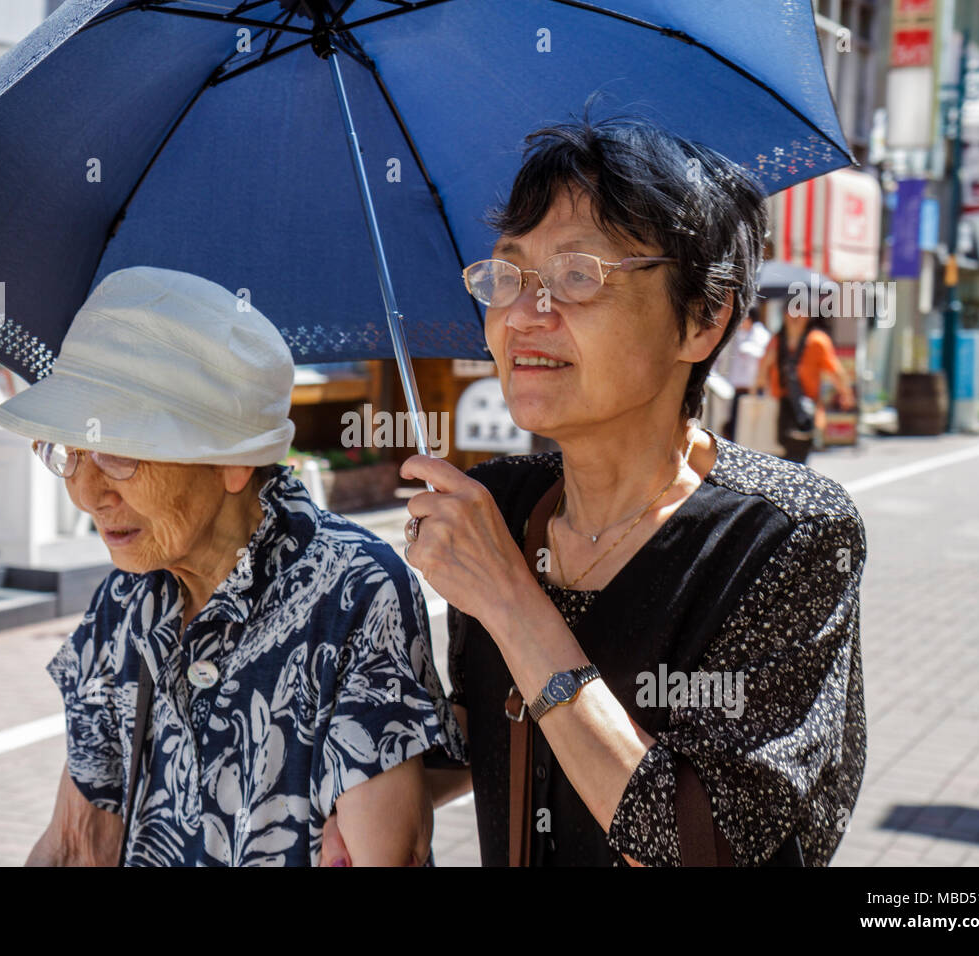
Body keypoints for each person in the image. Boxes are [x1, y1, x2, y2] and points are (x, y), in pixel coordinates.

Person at [321, 118, 866, 867]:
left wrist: (511, 600)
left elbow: (703, 847)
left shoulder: (785, 536)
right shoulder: (501, 507)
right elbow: (492, 729)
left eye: (578, 276)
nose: (522, 316)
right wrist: (373, 792)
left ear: (703, 318)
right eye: (508, 276)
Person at [0, 266, 464, 866]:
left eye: (117, 454)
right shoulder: (128, 599)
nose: (85, 492)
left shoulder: (352, 591)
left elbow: (386, 856)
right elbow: (76, 844)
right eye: (68, 450)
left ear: (234, 462)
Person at [755, 306, 855, 464]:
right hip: (780, 405)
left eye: (800, 311)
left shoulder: (817, 341)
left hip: (806, 406)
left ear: (808, 316)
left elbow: (835, 371)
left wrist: (846, 394)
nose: (795, 316)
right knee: (781, 455)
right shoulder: (777, 341)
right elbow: (761, 374)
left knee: (799, 456)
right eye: (791, 311)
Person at [715, 306, 771, 441]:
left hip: (754, 389)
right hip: (737, 388)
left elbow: (762, 357)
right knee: (736, 426)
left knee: (752, 426)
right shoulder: (739, 335)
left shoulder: (761, 334)